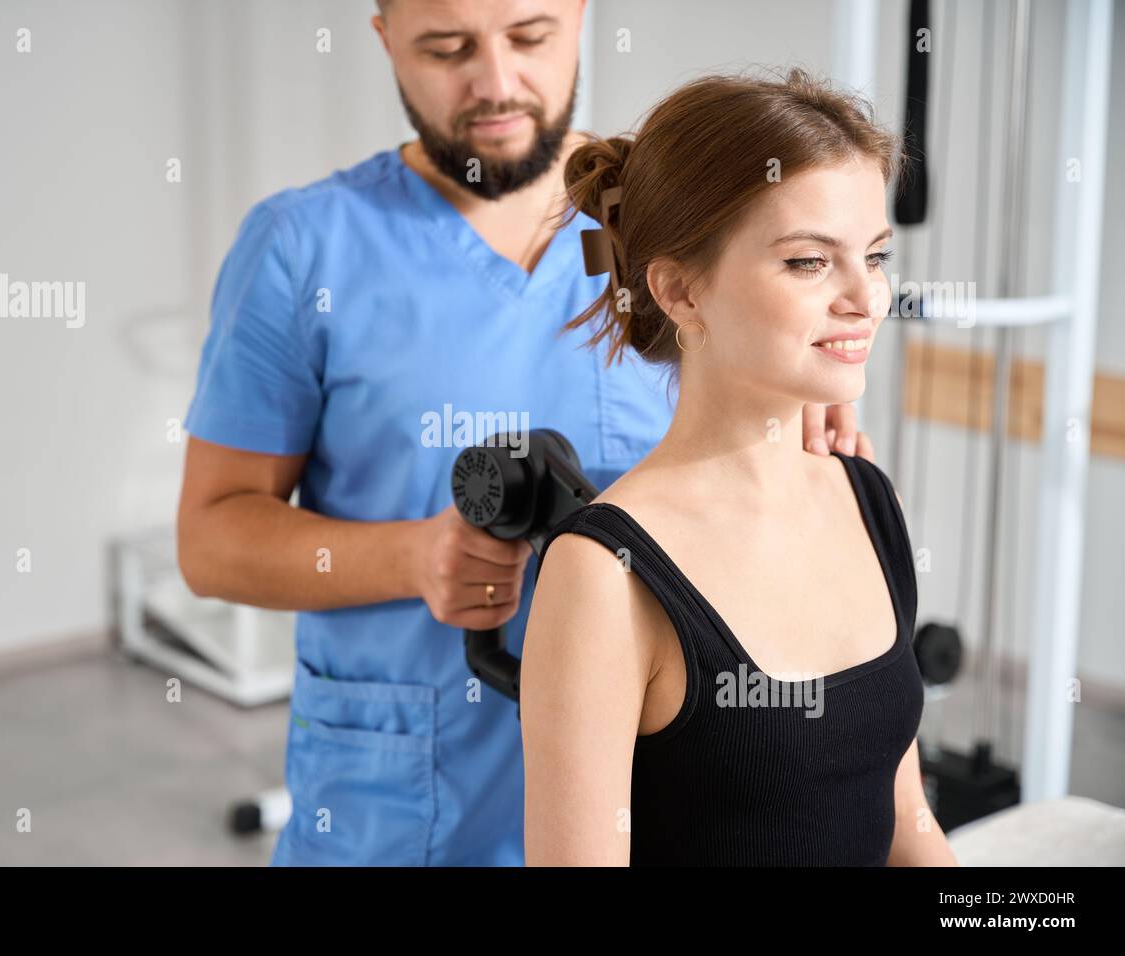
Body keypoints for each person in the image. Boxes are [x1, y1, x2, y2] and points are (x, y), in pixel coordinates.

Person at [176, 0, 873, 866]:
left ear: (581, 14)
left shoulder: (687, 226)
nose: (497, 83)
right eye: (447, 47)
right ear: (385, 36)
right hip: (412, 810)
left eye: (531, 36)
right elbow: (210, 538)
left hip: (660, 799)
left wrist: (793, 392)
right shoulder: (302, 249)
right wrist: (413, 559)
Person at [522, 68, 958, 866]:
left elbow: (909, 824)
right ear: (682, 292)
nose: (867, 297)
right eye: (808, 262)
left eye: (875, 254)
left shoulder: (866, 496)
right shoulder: (604, 575)